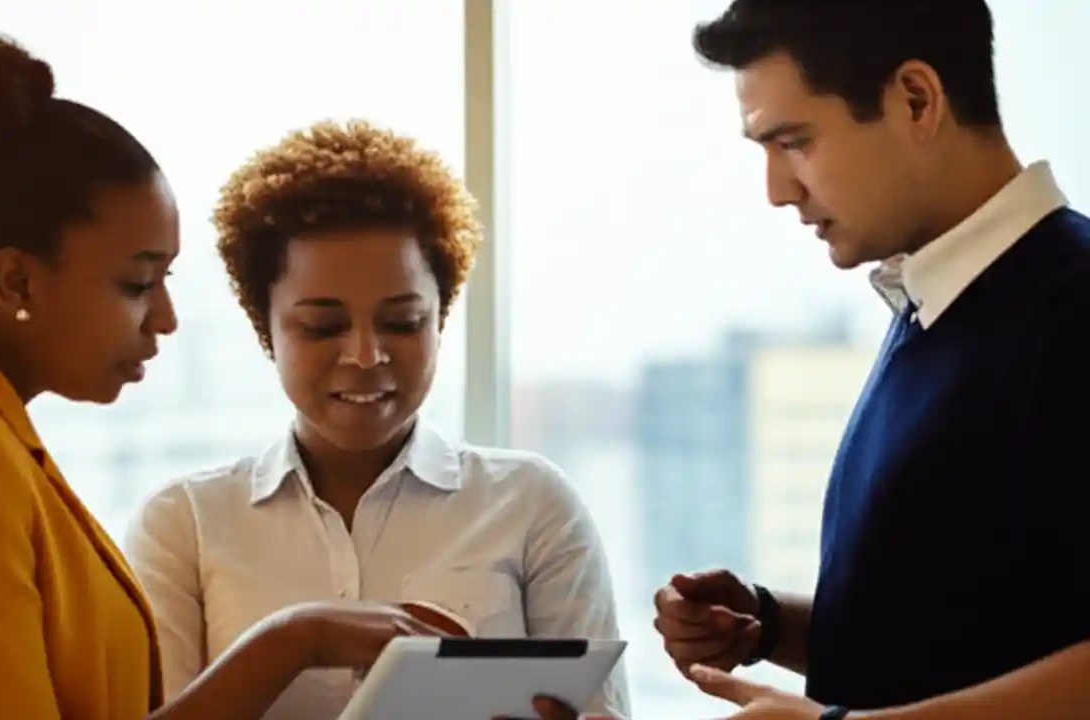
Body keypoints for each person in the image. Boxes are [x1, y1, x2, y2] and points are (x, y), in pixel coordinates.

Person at [0, 38, 445, 720]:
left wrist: (298, 640)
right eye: (137, 283)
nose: (165, 319)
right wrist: (292, 642)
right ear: (17, 279)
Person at [642, 2, 1090, 719]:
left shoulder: (1072, 307)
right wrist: (769, 624)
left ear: (916, 99)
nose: (777, 190)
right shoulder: (938, 305)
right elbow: (975, 628)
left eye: (794, 142)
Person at [123, 120, 630, 719]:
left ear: (440, 319)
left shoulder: (531, 504)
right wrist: (292, 641)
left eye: (402, 322)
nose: (366, 356)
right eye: (322, 326)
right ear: (267, 330)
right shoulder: (187, 524)